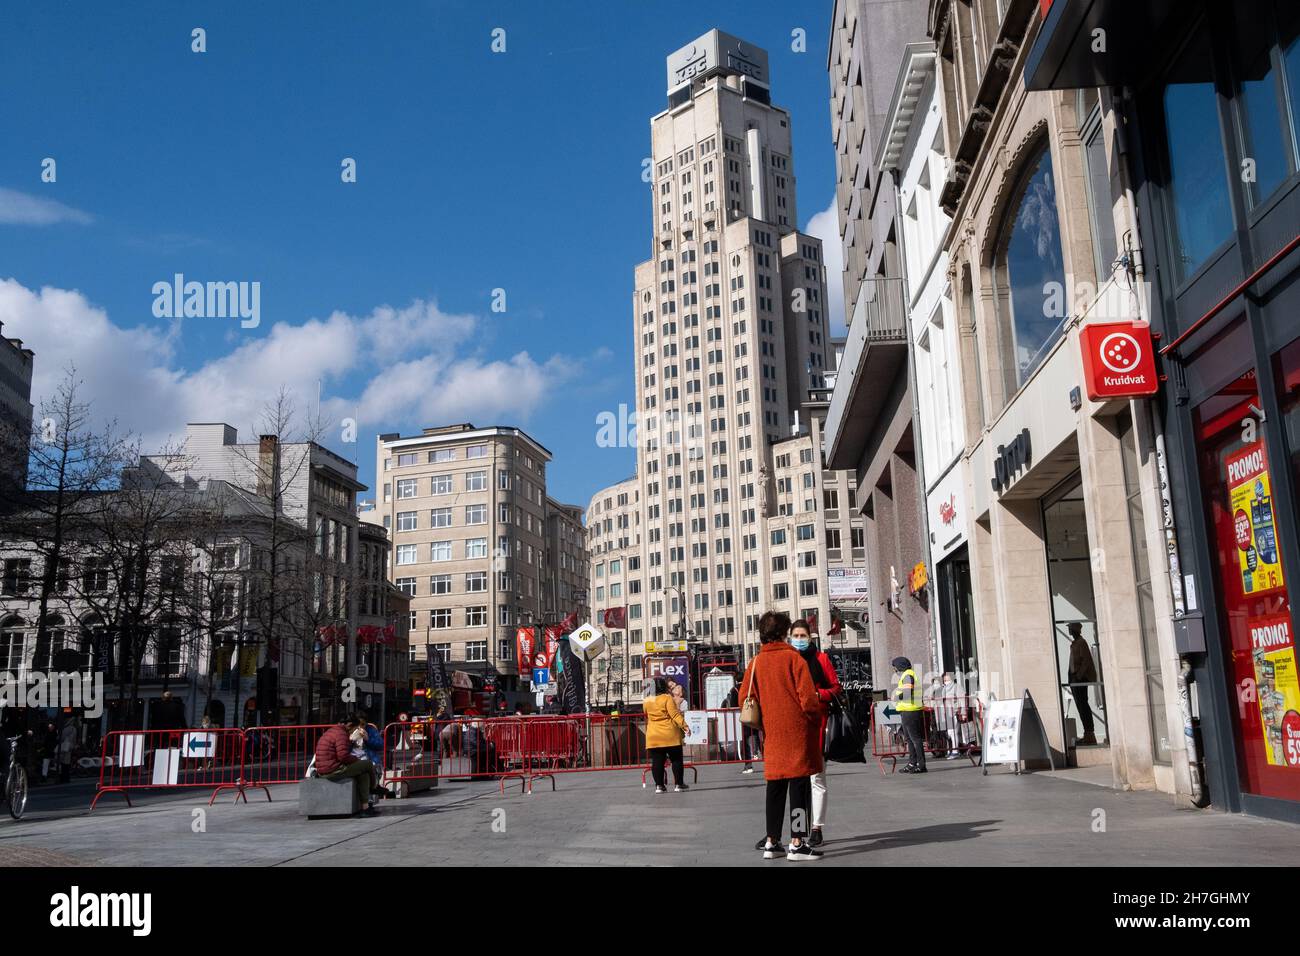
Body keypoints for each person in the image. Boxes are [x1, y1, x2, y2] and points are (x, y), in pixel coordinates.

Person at [738, 611, 824, 861]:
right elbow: (808, 699)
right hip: (797, 732)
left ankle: (771, 841)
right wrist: (815, 719)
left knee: (774, 787)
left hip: (772, 733)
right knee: (799, 787)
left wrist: (765, 720)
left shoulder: (755, 663)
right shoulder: (794, 659)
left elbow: (744, 697)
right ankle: (797, 842)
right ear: (784, 632)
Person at [790, 620, 841, 847]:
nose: (800, 639)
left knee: (817, 779)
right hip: (793, 727)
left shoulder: (822, 659)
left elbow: (836, 688)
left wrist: (818, 694)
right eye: (796, 635)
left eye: (803, 635)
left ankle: (816, 827)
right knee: (797, 783)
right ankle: (797, 832)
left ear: (810, 637)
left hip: (818, 725)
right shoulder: (788, 660)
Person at [314, 714, 380, 816]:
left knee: (364, 774)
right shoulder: (341, 734)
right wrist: (356, 760)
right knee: (367, 764)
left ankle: (365, 808)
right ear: (350, 726)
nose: (354, 731)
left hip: (326, 768)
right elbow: (343, 756)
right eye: (355, 728)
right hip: (333, 769)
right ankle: (374, 787)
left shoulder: (332, 731)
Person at [642, 677, 689, 793]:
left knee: (657, 761)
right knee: (676, 760)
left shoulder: (647, 700)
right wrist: (685, 726)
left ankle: (659, 786)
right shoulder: (667, 698)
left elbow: (646, 714)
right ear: (664, 687)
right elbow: (675, 715)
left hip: (653, 735)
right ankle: (679, 785)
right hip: (670, 735)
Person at [891, 657, 926, 774]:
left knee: (915, 739)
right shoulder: (907, 675)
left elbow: (907, 693)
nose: (894, 671)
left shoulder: (907, 675)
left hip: (910, 710)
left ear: (900, 666)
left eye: (895, 668)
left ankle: (921, 765)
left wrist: (897, 697)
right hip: (907, 710)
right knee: (910, 740)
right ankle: (912, 763)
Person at [1067, 623, 1098, 745]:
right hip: (1074, 679)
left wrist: (1078, 676)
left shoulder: (1081, 643)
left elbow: (1086, 661)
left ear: (1075, 630)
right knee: (1081, 706)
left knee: (1083, 706)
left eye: (1070, 629)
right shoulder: (1075, 643)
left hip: (1079, 679)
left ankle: (1090, 734)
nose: (1069, 631)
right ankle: (1087, 734)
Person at [937, 672, 962, 758]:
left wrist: (963, 712)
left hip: (954, 712)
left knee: (953, 732)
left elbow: (962, 700)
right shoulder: (944, 688)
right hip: (946, 713)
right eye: (944, 680)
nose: (946, 681)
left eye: (947, 679)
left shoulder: (956, 687)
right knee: (949, 733)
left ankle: (955, 751)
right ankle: (951, 750)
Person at [57, 719, 77, 783]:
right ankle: (66, 778)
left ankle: (62, 778)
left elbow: (61, 738)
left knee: (62, 763)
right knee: (67, 763)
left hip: (63, 747)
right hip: (69, 747)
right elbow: (74, 739)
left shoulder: (64, 729)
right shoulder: (73, 729)